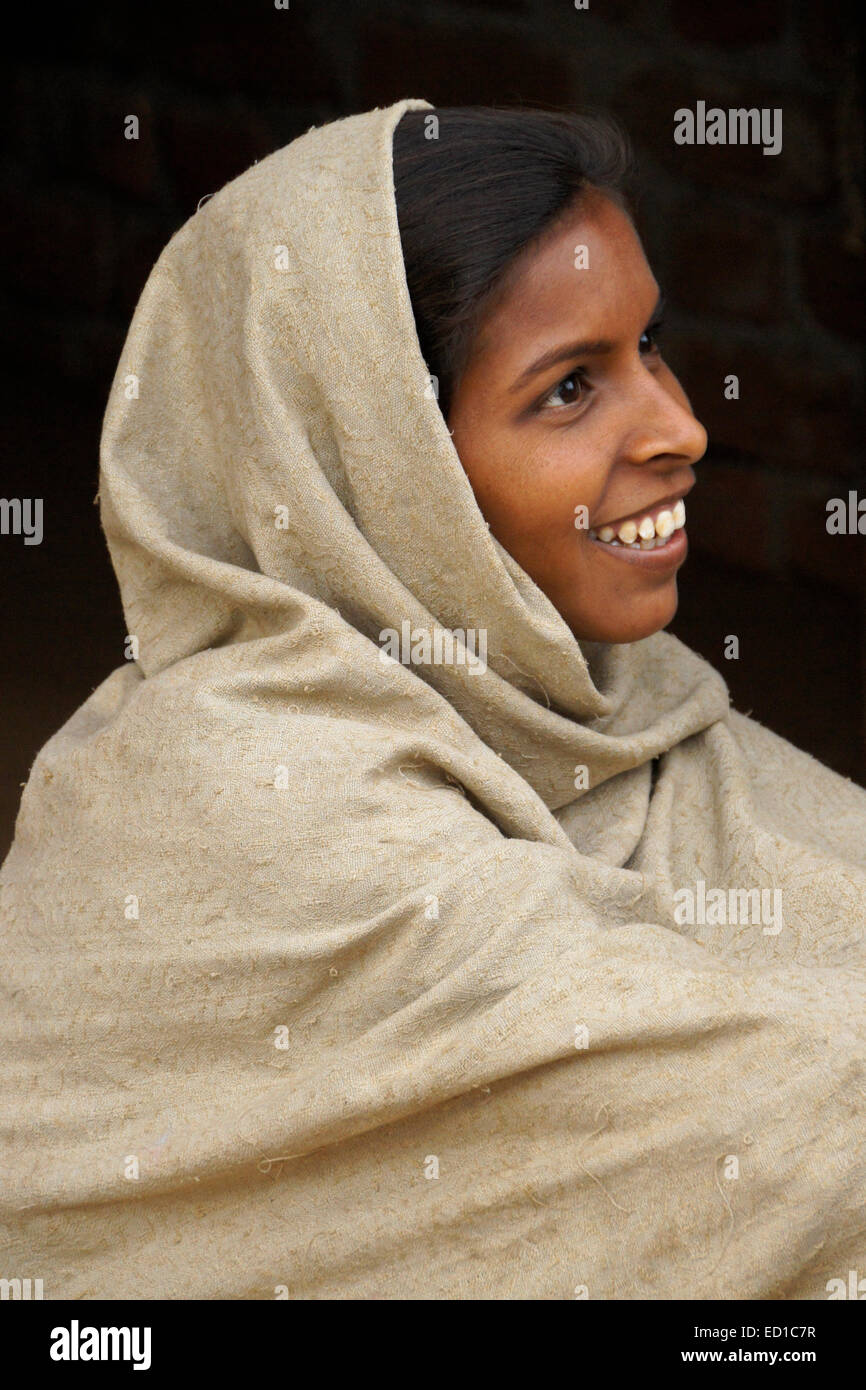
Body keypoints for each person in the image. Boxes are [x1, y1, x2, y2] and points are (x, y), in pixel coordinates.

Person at [1, 97, 865, 1301]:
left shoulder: (608, 699)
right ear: (379, 461)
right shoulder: (246, 797)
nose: (679, 428)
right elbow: (806, 1122)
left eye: (649, 346)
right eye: (568, 389)